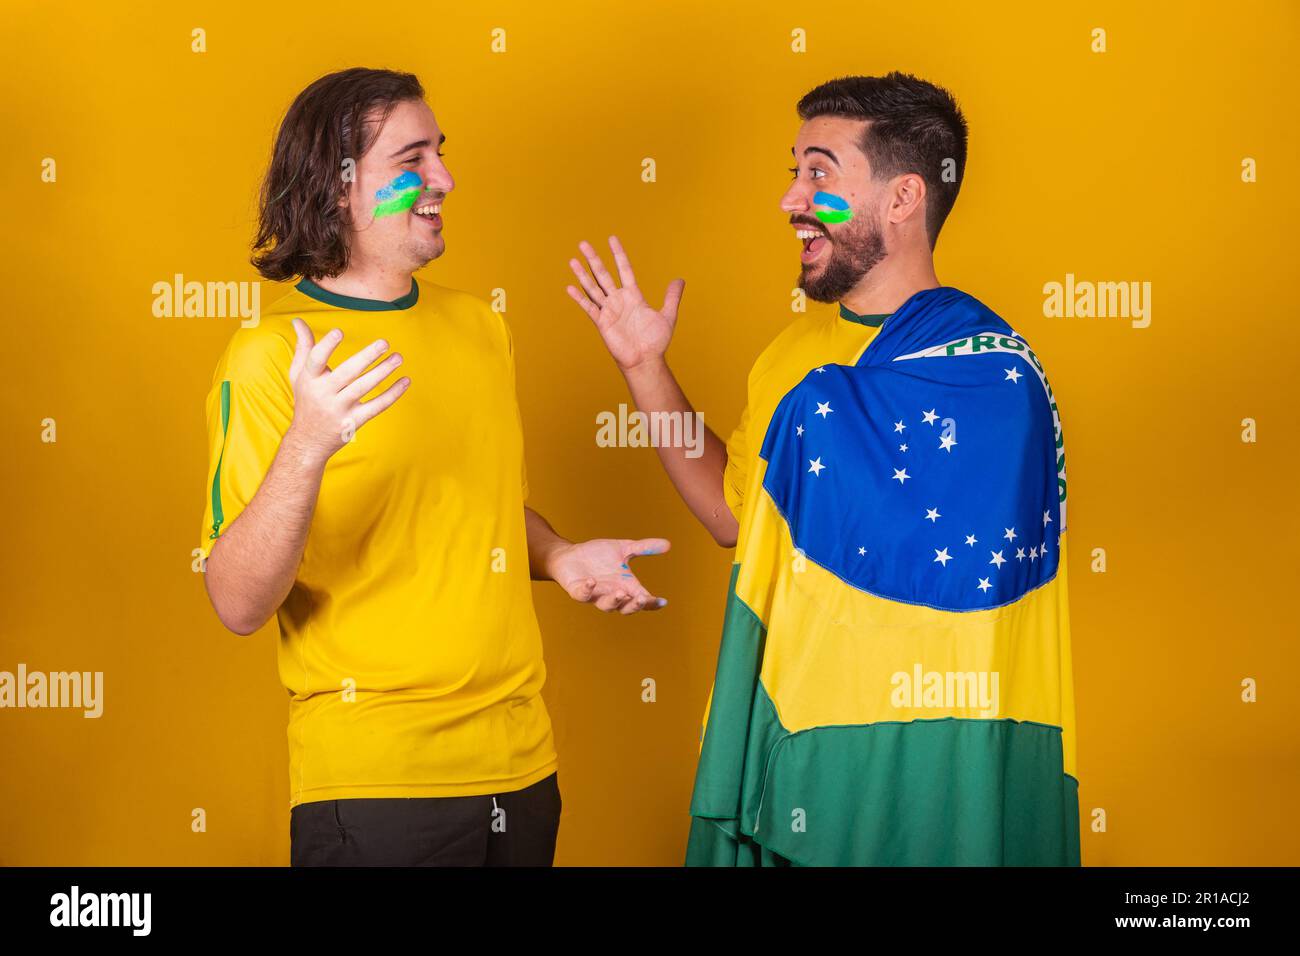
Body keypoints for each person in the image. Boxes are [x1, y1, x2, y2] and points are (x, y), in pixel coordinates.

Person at [568, 72, 1079, 866]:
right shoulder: (792, 359)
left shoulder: (992, 376)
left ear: (904, 198)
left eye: (820, 172)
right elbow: (736, 519)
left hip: (928, 766)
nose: (791, 199)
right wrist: (644, 367)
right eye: (794, 171)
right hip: (795, 748)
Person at [198, 67, 668, 867]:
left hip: (523, 771)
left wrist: (559, 557)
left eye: (440, 153)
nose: (444, 178)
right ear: (340, 186)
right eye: (412, 160)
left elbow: (478, 512)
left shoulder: (481, 328)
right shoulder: (272, 356)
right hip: (379, 788)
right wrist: (308, 443)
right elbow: (238, 601)